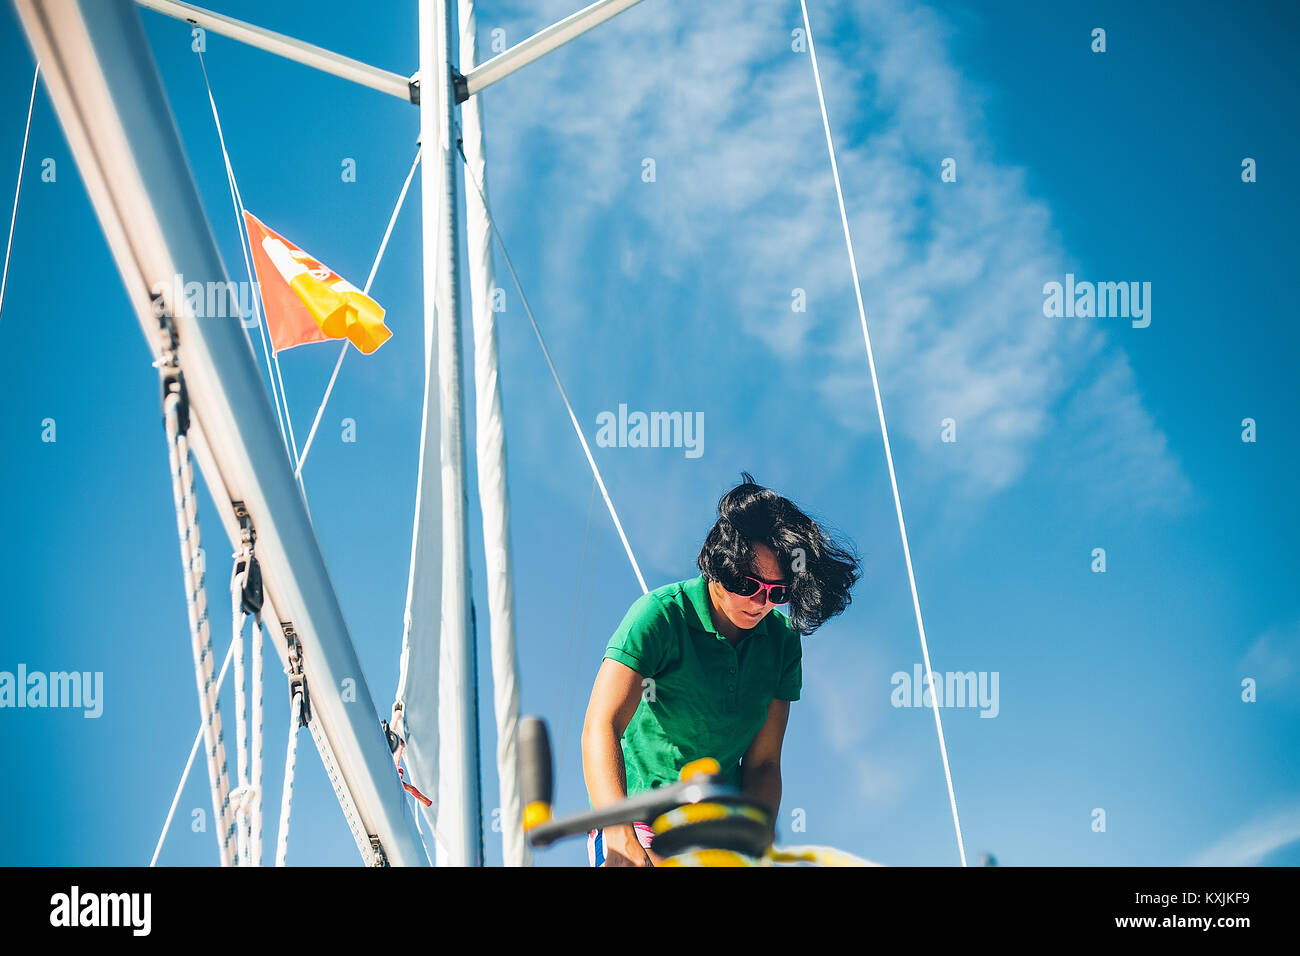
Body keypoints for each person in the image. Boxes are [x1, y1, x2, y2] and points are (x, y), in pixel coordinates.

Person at [581, 472, 860, 866]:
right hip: (636, 817)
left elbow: (763, 764)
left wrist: (756, 848)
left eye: (777, 593)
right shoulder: (658, 617)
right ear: (719, 566)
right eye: (749, 586)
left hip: (718, 827)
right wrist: (619, 834)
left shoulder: (781, 642)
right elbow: (601, 726)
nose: (761, 603)